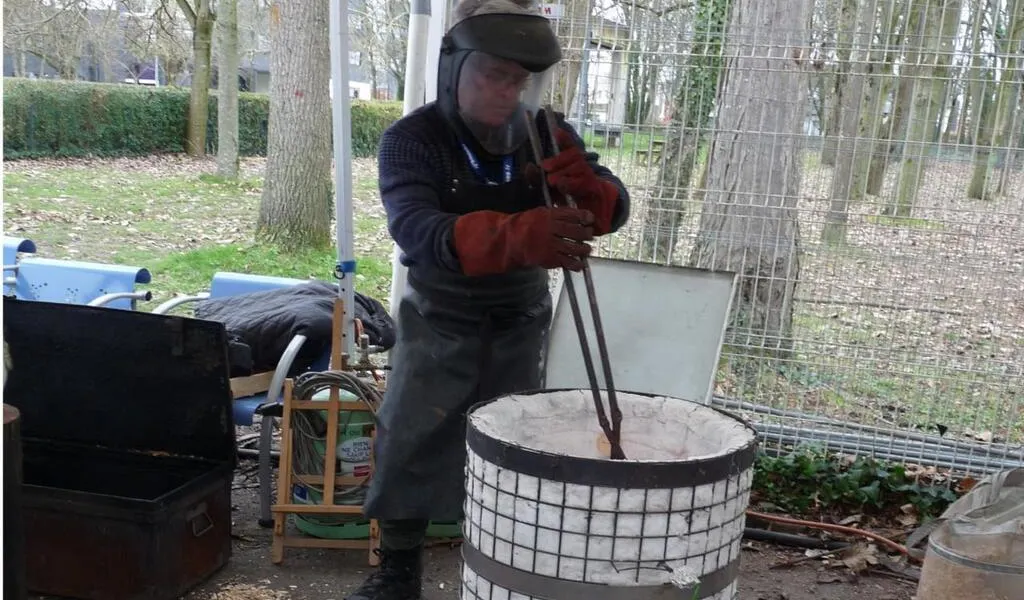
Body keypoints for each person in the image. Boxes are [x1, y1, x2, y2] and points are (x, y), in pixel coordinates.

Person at [346, 0, 630, 598]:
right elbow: (417, 230)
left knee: (514, 443)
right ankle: (397, 575)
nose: (508, 92)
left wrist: (593, 190)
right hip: (439, 314)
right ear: (455, 71)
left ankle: (508, 566)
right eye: (492, 76)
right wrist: (518, 233)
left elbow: (614, 205)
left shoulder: (546, 131)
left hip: (520, 315)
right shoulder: (412, 139)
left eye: (519, 80)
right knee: (409, 436)